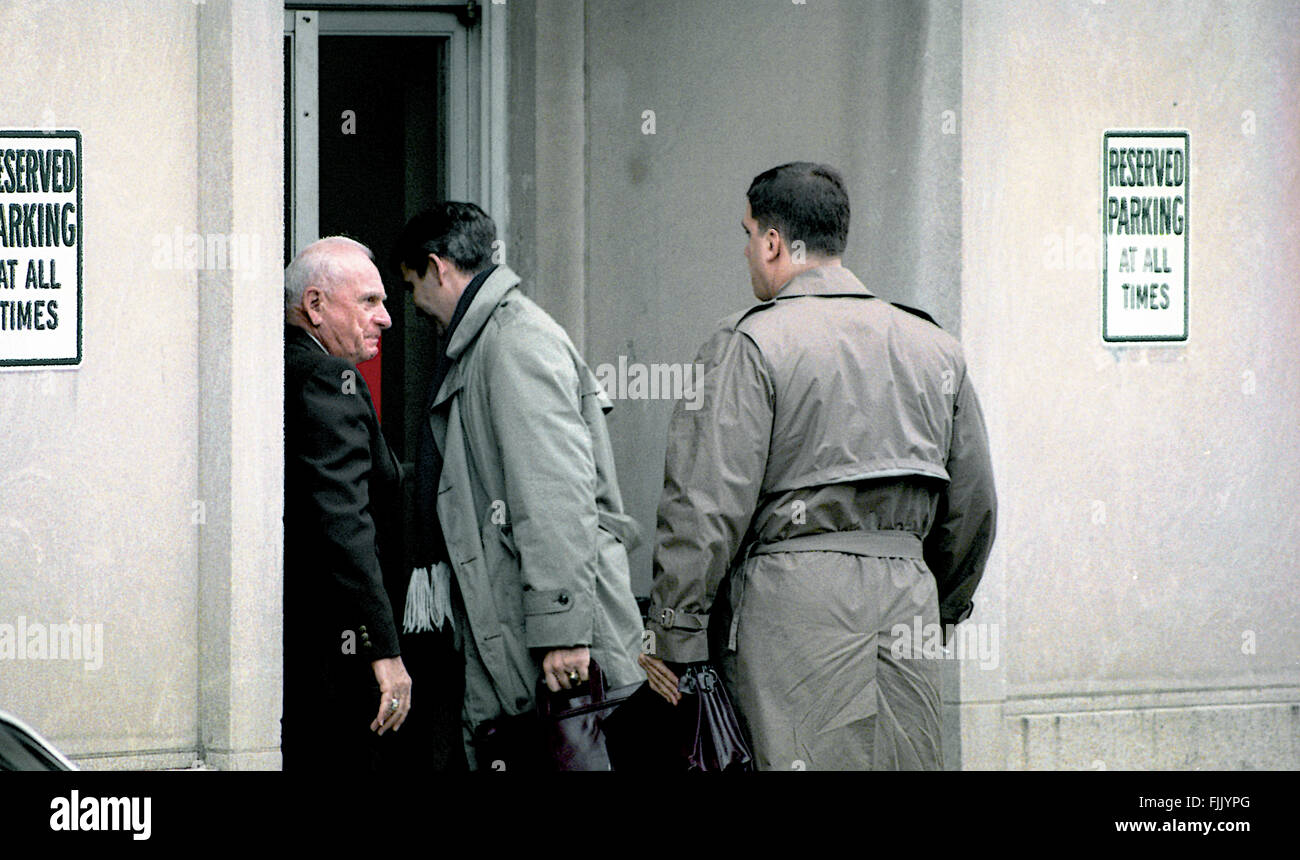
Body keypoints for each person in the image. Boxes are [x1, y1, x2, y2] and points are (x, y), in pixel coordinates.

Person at [639, 162, 997, 770]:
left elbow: (704, 505)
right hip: (905, 601)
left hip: (789, 611)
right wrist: (936, 607)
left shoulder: (749, 343)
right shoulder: (934, 346)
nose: (748, 250)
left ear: (774, 242)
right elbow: (975, 508)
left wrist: (675, 633)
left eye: (748, 234)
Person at [392, 202, 646, 770]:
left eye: (412, 287)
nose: (413, 307)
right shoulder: (487, 341)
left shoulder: (511, 342)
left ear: (438, 268)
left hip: (559, 650)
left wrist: (562, 630)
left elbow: (554, 495)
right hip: (525, 627)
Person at [281, 236, 413, 770]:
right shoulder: (326, 377)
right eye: (368, 302)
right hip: (334, 649)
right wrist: (385, 650)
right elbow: (344, 520)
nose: (384, 319)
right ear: (314, 306)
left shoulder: (288, 365)